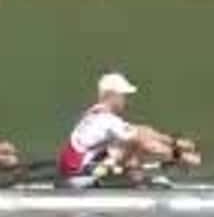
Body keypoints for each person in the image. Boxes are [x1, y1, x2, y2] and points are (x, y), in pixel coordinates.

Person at [57, 72, 201, 187]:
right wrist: (180, 156)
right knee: (134, 143)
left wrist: (174, 142)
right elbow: (143, 141)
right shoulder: (107, 121)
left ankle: (135, 179)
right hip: (79, 176)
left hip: (79, 168)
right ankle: (137, 183)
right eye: (123, 96)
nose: (126, 100)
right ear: (111, 96)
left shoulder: (96, 112)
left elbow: (142, 130)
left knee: (134, 136)